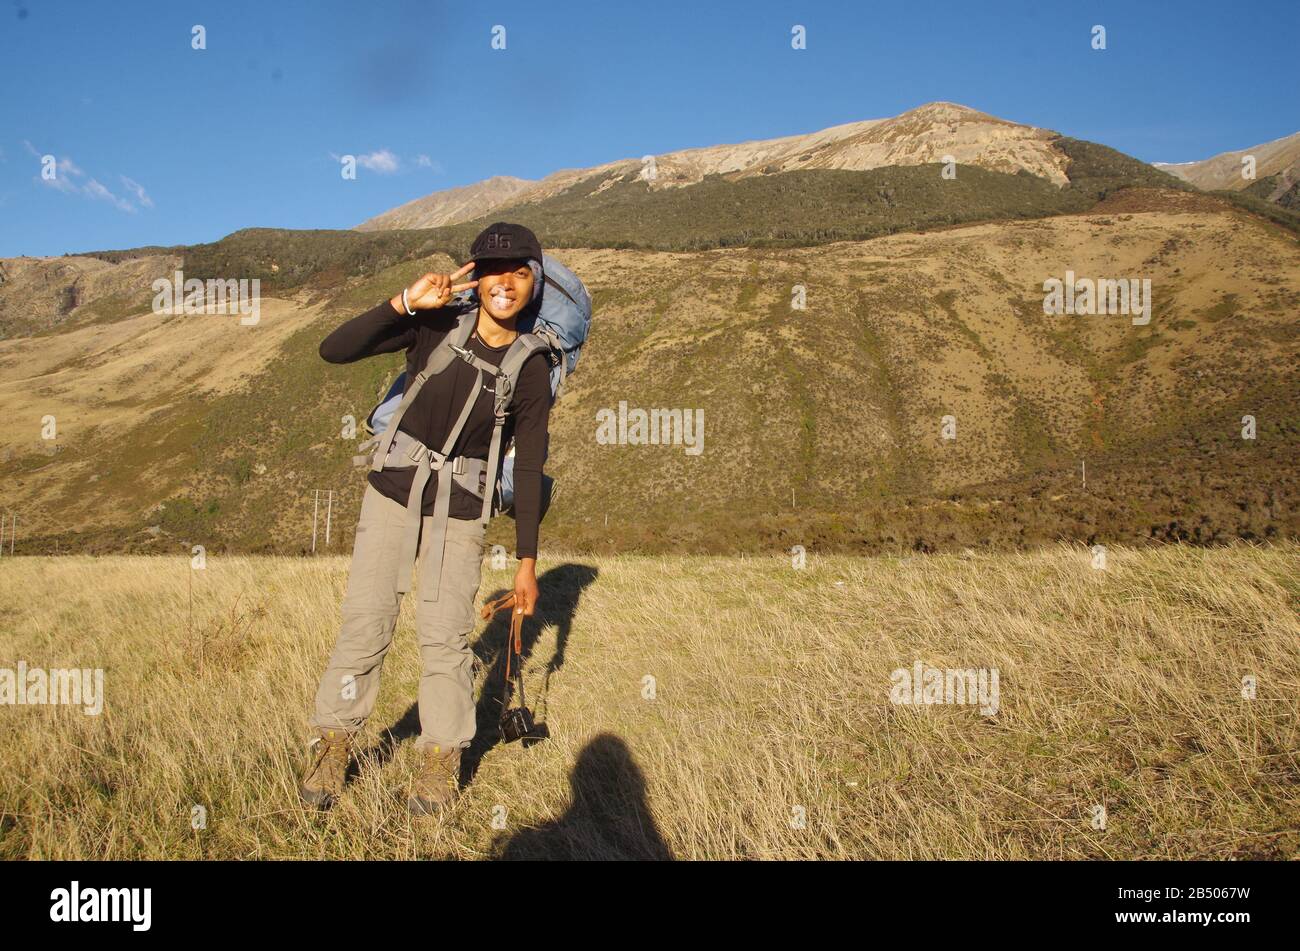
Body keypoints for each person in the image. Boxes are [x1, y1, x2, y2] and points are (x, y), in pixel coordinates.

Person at [299, 222, 552, 815]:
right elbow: (334, 349)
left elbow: (533, 464)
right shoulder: (435, 324)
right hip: (392, 492)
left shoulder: (531, 366)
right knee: (365, 625)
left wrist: (527, 562)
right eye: (495, 270)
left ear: (534, 282)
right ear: (475, 276)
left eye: (520, 272)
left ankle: (440, 756)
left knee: (446, 640)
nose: (506, 283)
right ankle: (335, 744)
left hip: (460, 510)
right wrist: (406, 302)